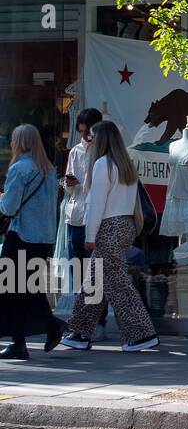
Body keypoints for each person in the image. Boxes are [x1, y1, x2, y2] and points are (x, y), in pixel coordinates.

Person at [60, 121, 158, 352]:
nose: (89, 142)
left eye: (92, 138)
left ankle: (142, 333)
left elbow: (96, 204)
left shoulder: (103, 165)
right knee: (94, 282)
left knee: (116, 284)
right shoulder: (125, 165)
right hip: (125, 225)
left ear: (100, 140)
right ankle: (79, 332)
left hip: (108, 228)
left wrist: (90, 234)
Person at [0, 125, 65, 358]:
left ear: (20, 142)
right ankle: (25, 339)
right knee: (28, 288)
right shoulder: (48, 170)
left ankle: (41, 330)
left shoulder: (19, 169)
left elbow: (9, 206)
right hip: (43, 238)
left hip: (21, 236)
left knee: (12, 288)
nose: (11, 143)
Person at [60, 108, 108, 339]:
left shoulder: (103, 154)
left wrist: (80, 182)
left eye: (88, 132)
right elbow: (70, 187)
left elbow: (101, 188)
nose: (85, 137)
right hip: (75, 215)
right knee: (77, 270)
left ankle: (98, 321)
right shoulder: (75, 152)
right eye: (81, 132)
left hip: (94, 217)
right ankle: (81, 321)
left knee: (95, 272)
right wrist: (69, 183)